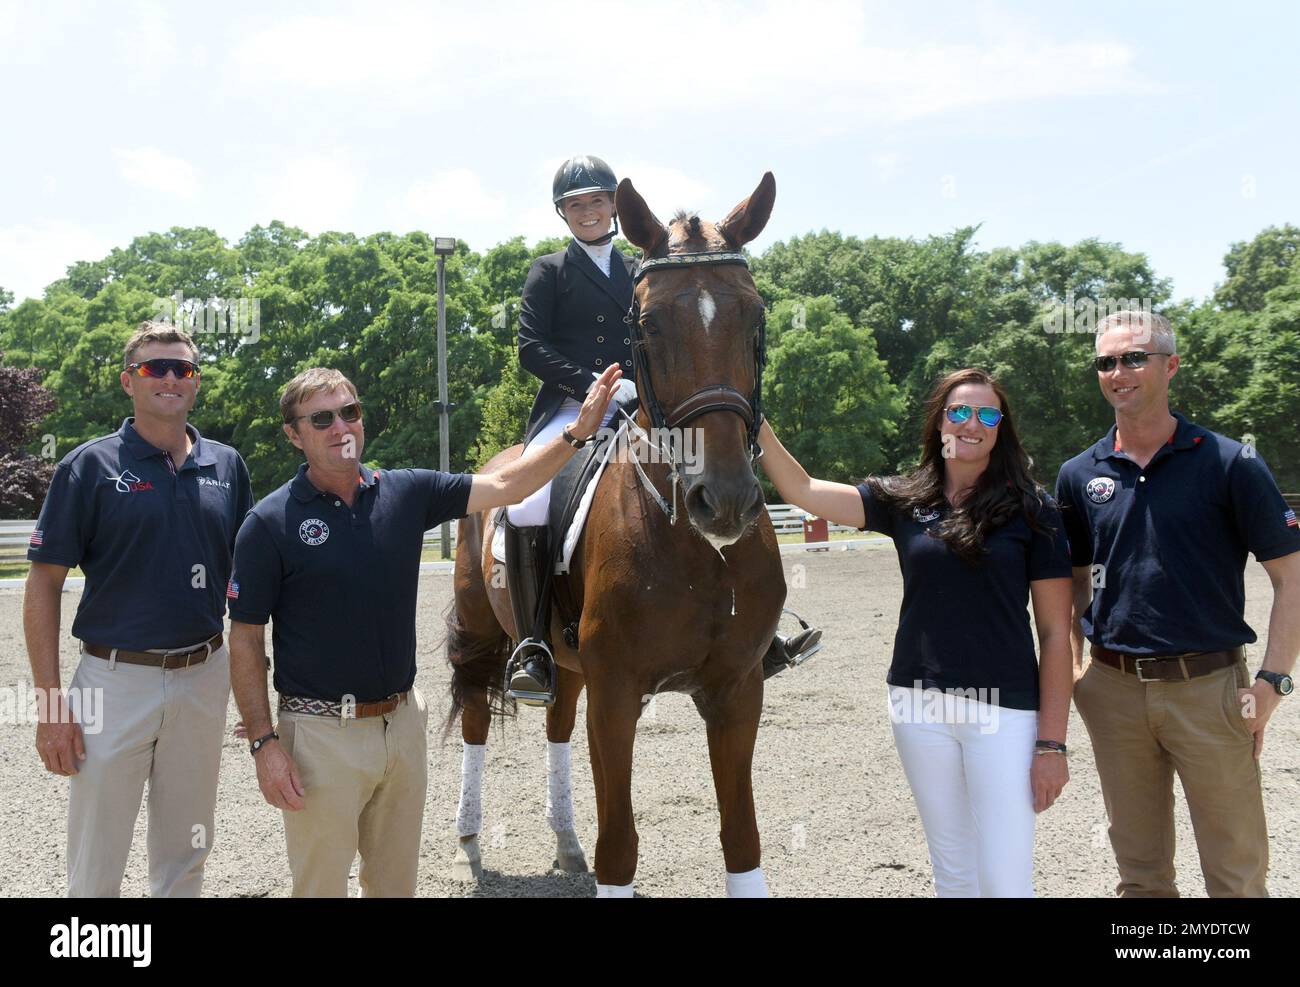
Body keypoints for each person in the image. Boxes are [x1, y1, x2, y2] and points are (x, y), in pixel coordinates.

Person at [226, 363, 621, 897]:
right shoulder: (269, 523)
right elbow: (246, 639)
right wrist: (264, 743)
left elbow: (511, 483)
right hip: (318, 736)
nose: (341, 427)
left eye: (351, 412)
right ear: (294, 434)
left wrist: (578, 432)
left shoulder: (405, 492)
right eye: (322, 419)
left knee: (396, 890)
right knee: (319, 889)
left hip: (401, 726)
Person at [506, 153, 819, 703]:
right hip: (571, 406)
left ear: (612, 208)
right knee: (523, 504)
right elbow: (531, 347)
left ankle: (757, 633)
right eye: (576, 205)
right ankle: (534, 642)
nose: (589, 213)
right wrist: (594, 385)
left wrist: (649, 387)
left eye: (598, 202)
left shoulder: (647, 266)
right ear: (564, 213)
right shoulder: (549, 271)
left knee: (711, 464)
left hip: (648, 402)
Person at [757, 368, 1074, 897]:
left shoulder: (1033, 509)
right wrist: (755, 419)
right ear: (939, 421)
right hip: (916, 706)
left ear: (1001, 429)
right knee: (953, 870)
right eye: (960, 411)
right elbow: (804, 489)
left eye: (987, 414)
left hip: (1004, 712)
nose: (972, 423)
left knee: (1005, 876)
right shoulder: (902, 498)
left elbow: (1055, 633)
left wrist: (1052, 744)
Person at [1056, 310, 1300, 898]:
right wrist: (1076, 666)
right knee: (1139, 876)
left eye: (1134, 358)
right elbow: (1070, 584)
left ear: (1171, 365)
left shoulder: (1229, 463)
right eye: (1107, 362)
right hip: (1112, 690)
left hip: (1209, 689)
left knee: (1236, 874)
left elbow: (1292, 580)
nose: (1119, 372)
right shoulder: (1077, 474)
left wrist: (1272, 683)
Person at [23, 321, 253, 897]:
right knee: (97, 858)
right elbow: (44, 582)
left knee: (187, 851)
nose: (172, 378)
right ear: (130, 381)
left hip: (204, 675)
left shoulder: (228, 467)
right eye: (156, 368)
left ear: (196, 384)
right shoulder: (88, 468)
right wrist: (51, 704)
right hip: (113, 678)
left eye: (184, 369)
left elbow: (249, 589)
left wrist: (256, 692)